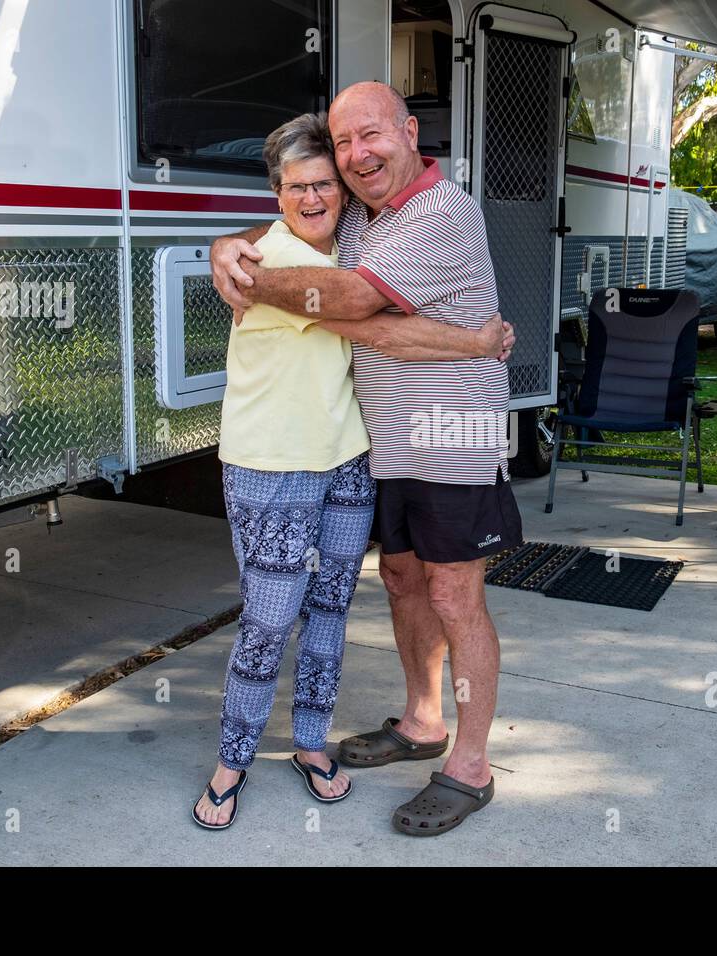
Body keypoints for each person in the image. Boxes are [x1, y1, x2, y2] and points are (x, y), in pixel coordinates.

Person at [210, 82, 520, 836]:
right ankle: (421, 722)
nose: (356, 157)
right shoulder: (366, 220)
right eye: (344, 144)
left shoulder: (443, 213)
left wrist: (244, 276)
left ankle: (470, 766)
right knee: (405, 580)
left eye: (369, 136)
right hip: (388, 446)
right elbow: (301, 233)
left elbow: (354, 309)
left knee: (456, 596)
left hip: (452, 438)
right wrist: (228, 244)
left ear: (411, 133)